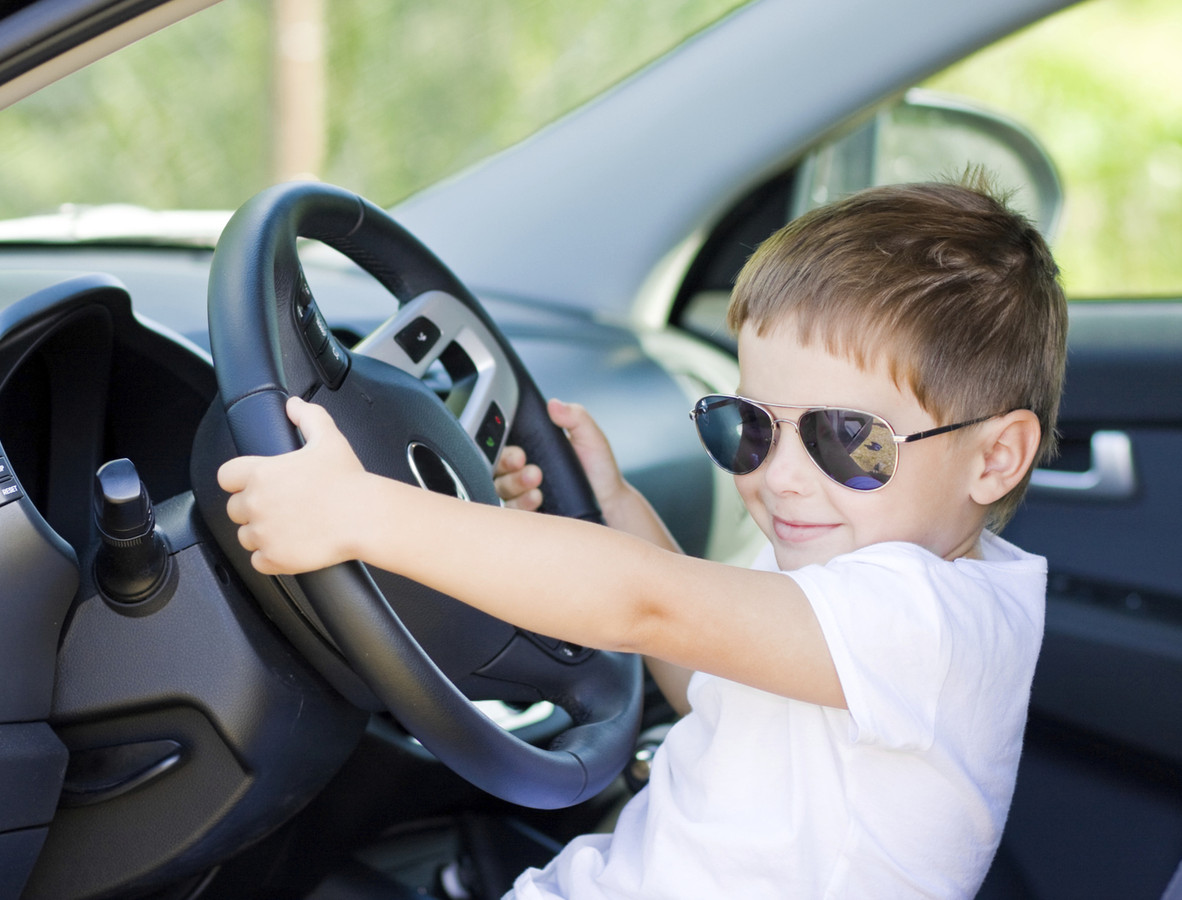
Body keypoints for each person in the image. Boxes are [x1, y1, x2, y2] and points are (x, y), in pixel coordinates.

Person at [217, 177, 1068, 898]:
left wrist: (359, 511)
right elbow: (707, 675)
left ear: (995, 457)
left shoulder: (925, 623)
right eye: (751, 426)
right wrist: (614, 505)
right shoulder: (865, 562)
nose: (780, 477)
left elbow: (648, 607)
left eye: (849, 437)